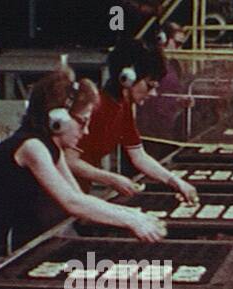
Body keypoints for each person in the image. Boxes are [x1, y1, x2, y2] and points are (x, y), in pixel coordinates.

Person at [0, 66, 166, 289]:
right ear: (57, 120)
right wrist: (131, 220)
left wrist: (135, 216)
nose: (87, 131)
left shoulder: (49, 148)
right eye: (83, 121)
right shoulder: (31, 147)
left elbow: (80, 202)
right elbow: (71, 202)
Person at [67, 39, 199, 205]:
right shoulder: (97, 106)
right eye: (150, 85)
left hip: (78, 191)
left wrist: (176, 182)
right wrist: (112, 179)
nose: (153, 93)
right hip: (61, 192)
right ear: (127, 78)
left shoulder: (123, 105)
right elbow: (69, 160)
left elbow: (138, 155)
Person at [137, 22, 192, 145]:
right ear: (163, 39)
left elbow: (171, 92)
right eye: (177, 44)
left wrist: (180, 101)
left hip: (167, 123)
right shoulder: (149, 62)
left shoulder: (174, 65)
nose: (180, 49)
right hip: (149, 126)